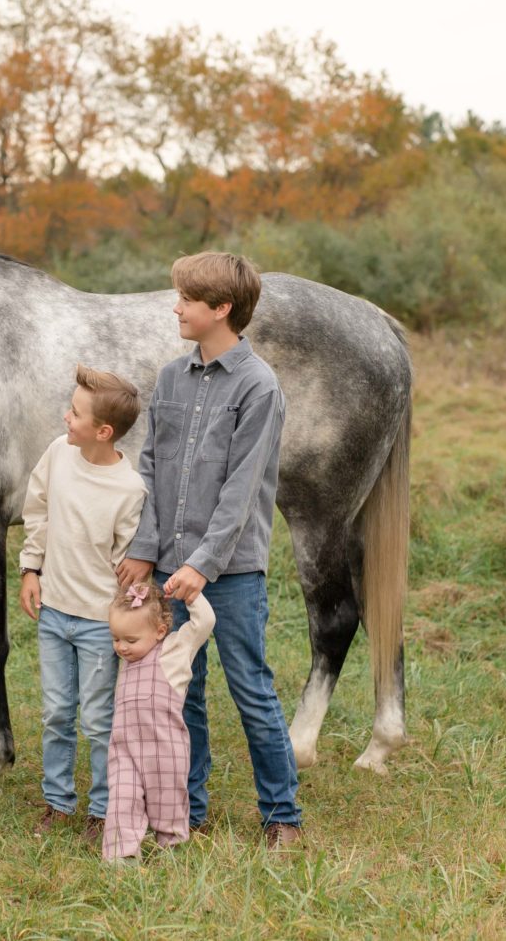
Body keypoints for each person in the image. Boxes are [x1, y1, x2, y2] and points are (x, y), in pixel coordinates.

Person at [115, 251, 303, 849]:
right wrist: (147, 548)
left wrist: (204, 563)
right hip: (170, 564)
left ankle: (282, 816)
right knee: (180, 692)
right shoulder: (171, 379)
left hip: (232, 571)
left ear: (221, 308)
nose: (175, 308)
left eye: (186, 300)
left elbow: (242, 490)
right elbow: (149, 466)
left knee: (251, 689)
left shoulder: (258, 386)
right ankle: (186, 808)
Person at [18, 365, 147, 841]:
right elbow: (37, 510)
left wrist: (124, 617)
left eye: (74, 413)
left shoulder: (129, 490)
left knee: (97, 719)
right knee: (55, 713)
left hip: (97, 623)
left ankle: (103, 809)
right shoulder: (58, 453)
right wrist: (30, 568)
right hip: (53, 612)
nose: (65, 418)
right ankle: (57, 802)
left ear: (103, 431)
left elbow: (127, 565)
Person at [102, 580, 214, 861]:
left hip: (164, 751)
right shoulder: (127, 659)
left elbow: (204, 622)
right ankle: (121, 856)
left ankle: (171, 849)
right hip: (124, 750)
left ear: (160, 632)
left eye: (130, 640)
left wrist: (191, 596)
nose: (122, 648)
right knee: (121, 800)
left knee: (168, 805)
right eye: (116, 639)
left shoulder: (173, 652)